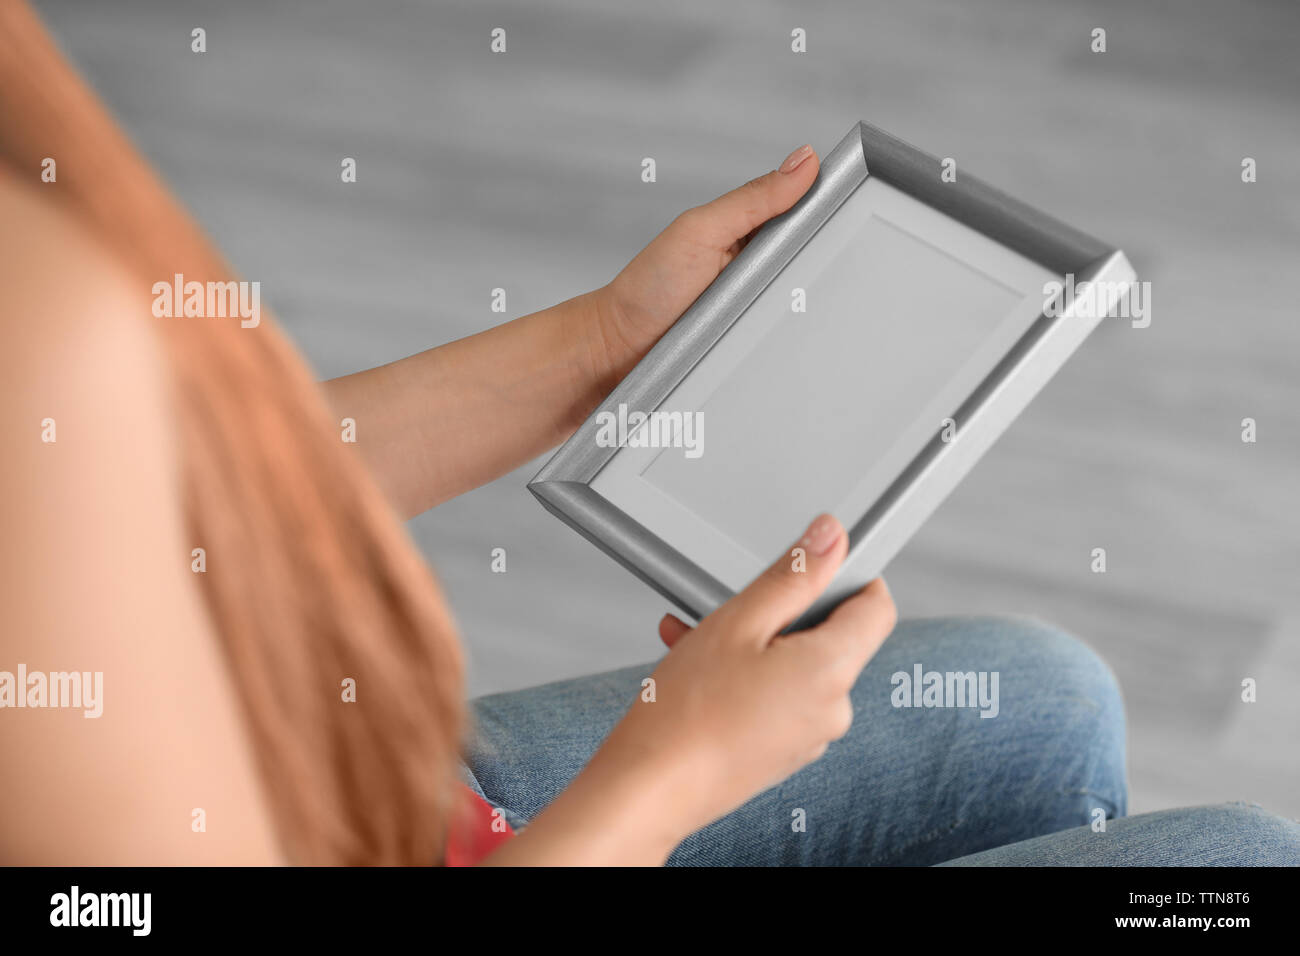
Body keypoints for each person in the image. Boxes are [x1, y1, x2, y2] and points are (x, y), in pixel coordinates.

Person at [1, 0, 1295, 866]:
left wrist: (605, 342)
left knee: (1047, 699)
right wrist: (673, 776)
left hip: (375, 798)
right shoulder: (42, 314)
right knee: (1240, 864)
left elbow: (187, 506)